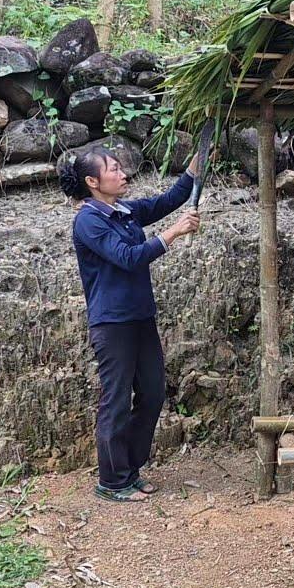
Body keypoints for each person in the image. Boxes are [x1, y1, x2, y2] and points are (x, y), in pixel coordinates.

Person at [60, 148, 201, 502]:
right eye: (114, 169)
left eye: (121, 167)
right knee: (117, 400)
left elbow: (170, 199)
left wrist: (195, 166)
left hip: (141, 317)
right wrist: (173, 234)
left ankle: (131, 469)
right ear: (93, 182)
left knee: (152, 394)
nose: (123, 173)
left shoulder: (123, 211)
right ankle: (112, 480)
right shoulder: (90, 220)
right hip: (112, 324)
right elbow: (127, 258)